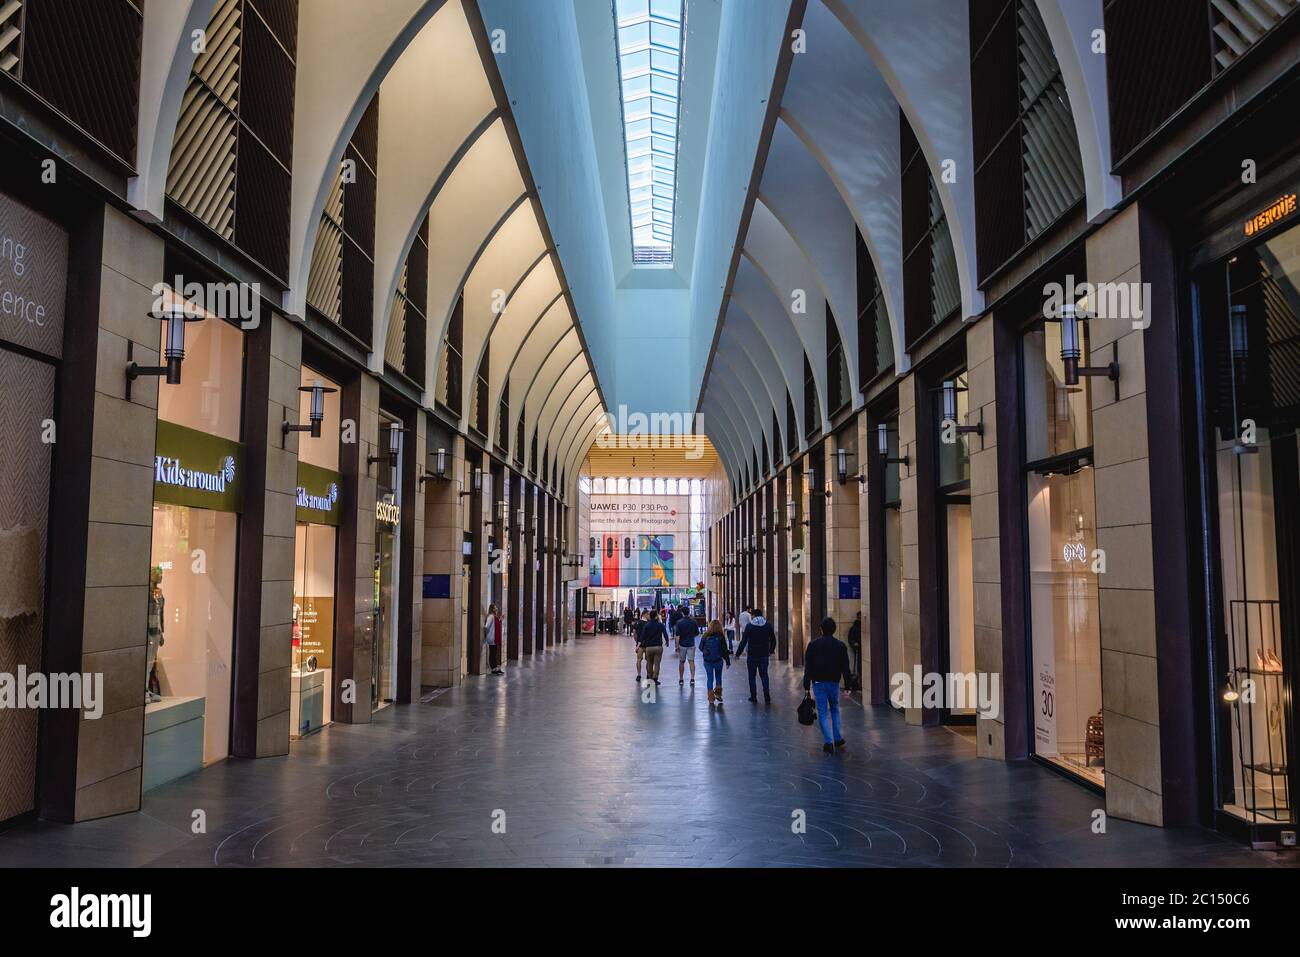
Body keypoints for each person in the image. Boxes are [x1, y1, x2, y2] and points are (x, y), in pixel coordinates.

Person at [803, 616, 853, 753]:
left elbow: (808, 667)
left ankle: (828, 741)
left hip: (818, 683)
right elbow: (845, 668)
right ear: (834, 630)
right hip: (833, 683)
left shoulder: (813, 645)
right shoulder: (840, 646)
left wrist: (806, 686)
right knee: (835, 709)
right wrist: (848, 686)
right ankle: (837, 738)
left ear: (821, 629)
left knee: (823, 712)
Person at [735, 606, 776, 705]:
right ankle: (767, 695)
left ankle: (754, 696)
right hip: (764, 655)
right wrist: (771, 650)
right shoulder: (767, 625)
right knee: (764, 675)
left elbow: (743, 641)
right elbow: (773, 639)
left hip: (752, 655)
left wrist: (738, 654)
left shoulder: (750, 626)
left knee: (752, 676)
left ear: (753, 615)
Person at [698, 619, 731, 706]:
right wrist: (728, 662)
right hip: (718, 660)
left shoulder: (705, 635)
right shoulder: (721, 636)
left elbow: (700, 647)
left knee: (710, 679)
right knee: (718, 677)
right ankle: (718, 694)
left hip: (707, 661)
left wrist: (707, 652)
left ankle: (711, 698)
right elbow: (724, 650)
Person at [638, 609, 668, 685]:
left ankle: (650, 677)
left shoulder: (646, 625)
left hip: (649, 647)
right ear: (656, 617)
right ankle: (655, 678)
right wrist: (667, 641)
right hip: (658, 646)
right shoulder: (660, 625)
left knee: (649, 663)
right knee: (657, 663)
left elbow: (642, 636)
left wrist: (639, 645)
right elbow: (665, 634)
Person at [674, 609, 701, 687]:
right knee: (691, 661)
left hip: (682, 645)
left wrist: (676, 646)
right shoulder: (693, 622)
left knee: (681, 662)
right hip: (691, 644)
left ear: (682, 613)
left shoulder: (679, 622)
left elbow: (677, 636)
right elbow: (697, 633)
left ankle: (681, 679)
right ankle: (692, 679)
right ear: (689, 613)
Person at [484, 603, 504, 676]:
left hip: (494, 637)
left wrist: (500, 619)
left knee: (494, 653)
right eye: (495, 608)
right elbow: (486, 626)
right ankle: (493, 668)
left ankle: (495, 667)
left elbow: (495, 625)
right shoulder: (491, 617)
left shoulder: (494, 617)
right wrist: (488, 634)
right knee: (492, 653)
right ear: (492, 609)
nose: (496, 609)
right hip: (492, 638)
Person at [847, 611, 863, 692]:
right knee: (858, 667)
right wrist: (854, 644)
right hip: (858, 649)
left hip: (861, 649)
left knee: (859, 667)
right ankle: (859, 683)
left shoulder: (859, 627)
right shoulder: (854, 628)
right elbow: (850, 639)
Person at [633, 610, 649, 681]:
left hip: (639, 645)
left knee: (639, 660)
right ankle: (648, 674)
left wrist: (637, 641)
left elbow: (634, 633)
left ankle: (639, 674)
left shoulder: (637, 623)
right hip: (648, 644)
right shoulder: (649, 623)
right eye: (648, 614)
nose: (649, 616)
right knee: (648, 660)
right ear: (645, 615)